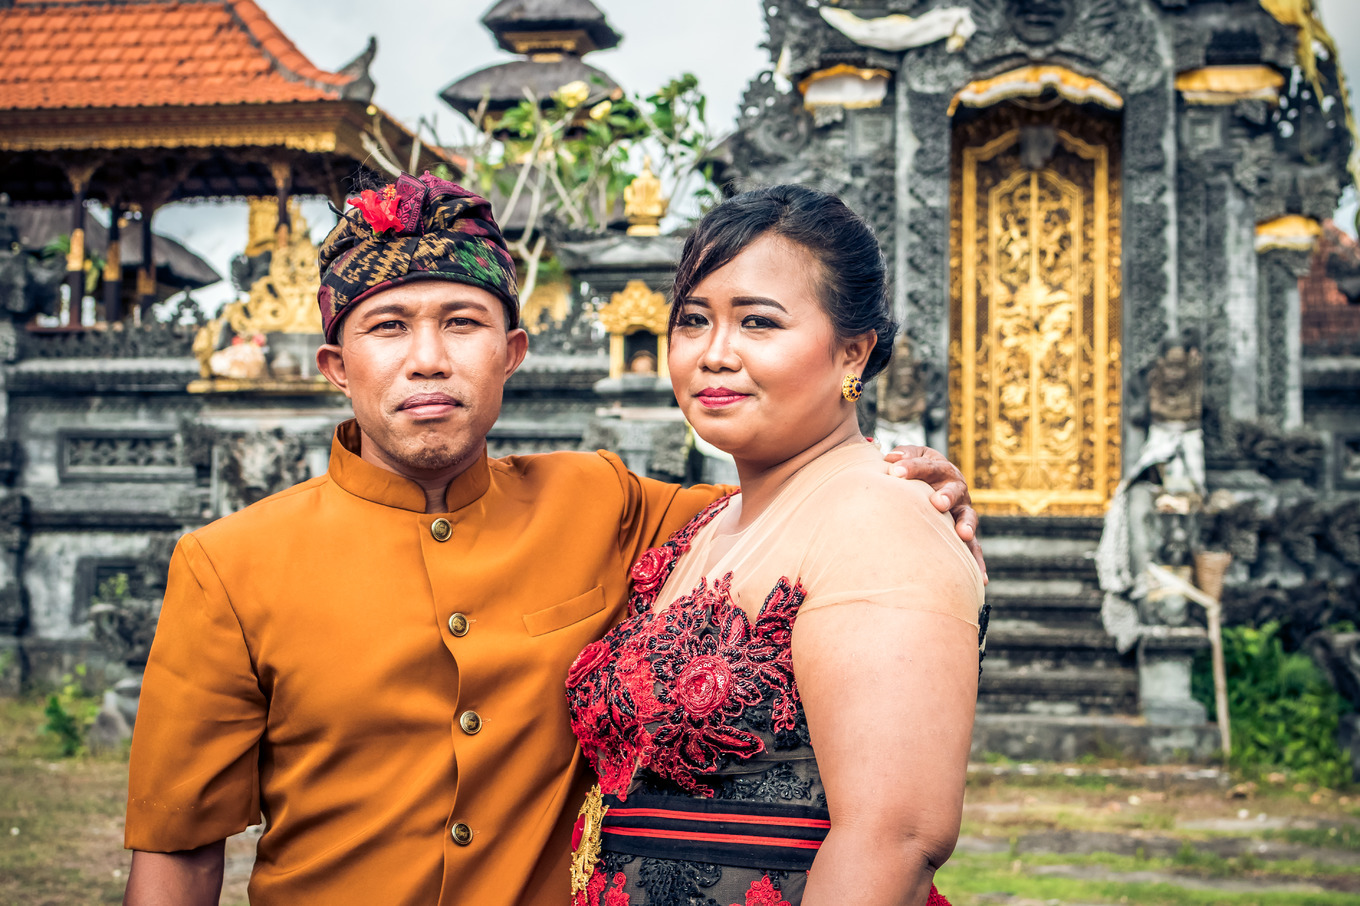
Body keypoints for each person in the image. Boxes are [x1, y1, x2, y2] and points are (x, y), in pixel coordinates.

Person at [121, 173, 983, 906]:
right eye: (387, 328)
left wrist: (909, 482)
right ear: (336, 367)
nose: (427, 359)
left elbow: (817, 508)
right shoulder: (228, 566)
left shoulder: (603, 502)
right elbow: (177, 845)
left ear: (512, 353)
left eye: (462, 322)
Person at [567, 186, 985, 906]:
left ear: (853, 350)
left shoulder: (878, 515)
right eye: (693, 321)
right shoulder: (704, 527)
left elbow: (895, 838)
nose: (714, 354)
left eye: (758, 322)